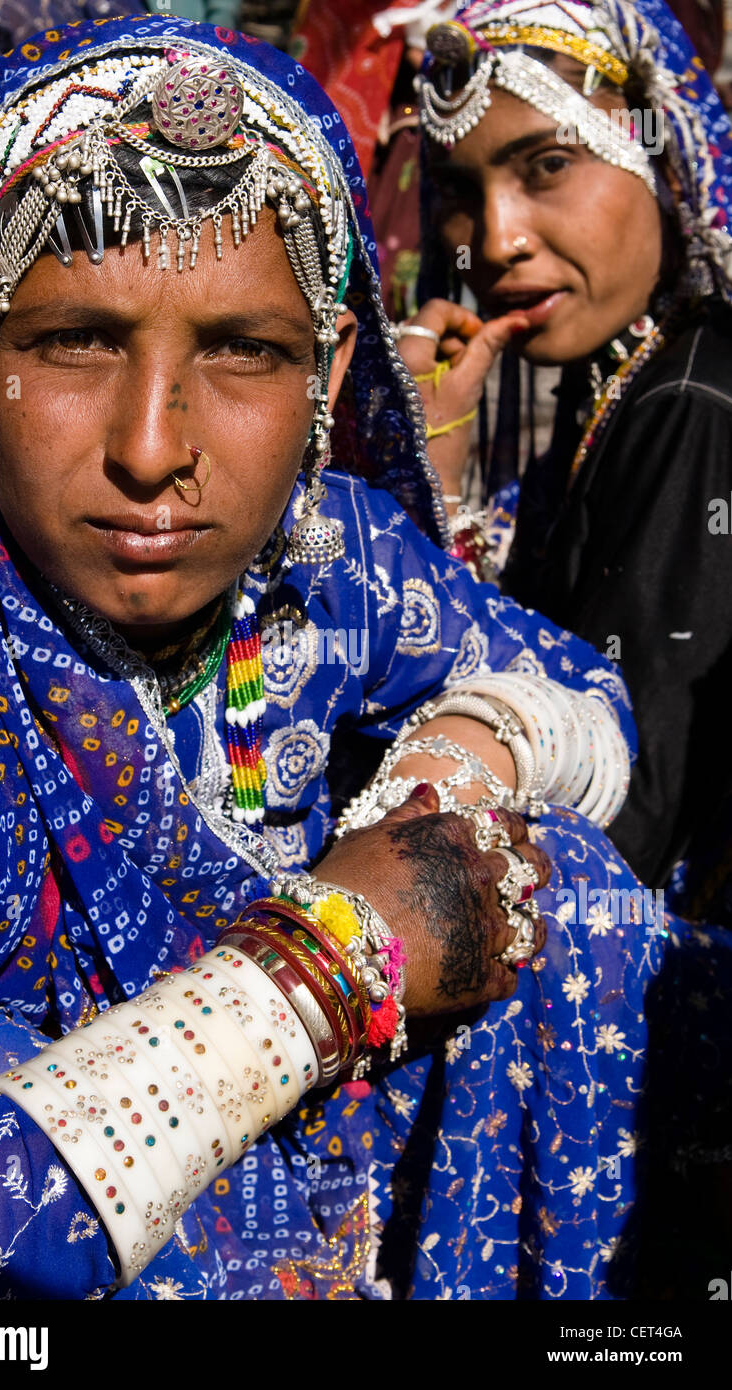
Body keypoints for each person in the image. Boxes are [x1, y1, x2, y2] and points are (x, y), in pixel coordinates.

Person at [0, 14, 726, 1303]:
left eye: (244, 351)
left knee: (571, 893)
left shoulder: (332, 560)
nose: (155, 446)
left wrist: (463, 754)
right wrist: (327, 962)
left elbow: (589, 695)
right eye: (77, 341)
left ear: (331, 368)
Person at [401, 0, 732, 915]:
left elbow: (624, 814)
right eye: (460, 192)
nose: (495, 239)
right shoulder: (629, 376)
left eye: (547, 166)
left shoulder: (688, 409)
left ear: (662, 163)